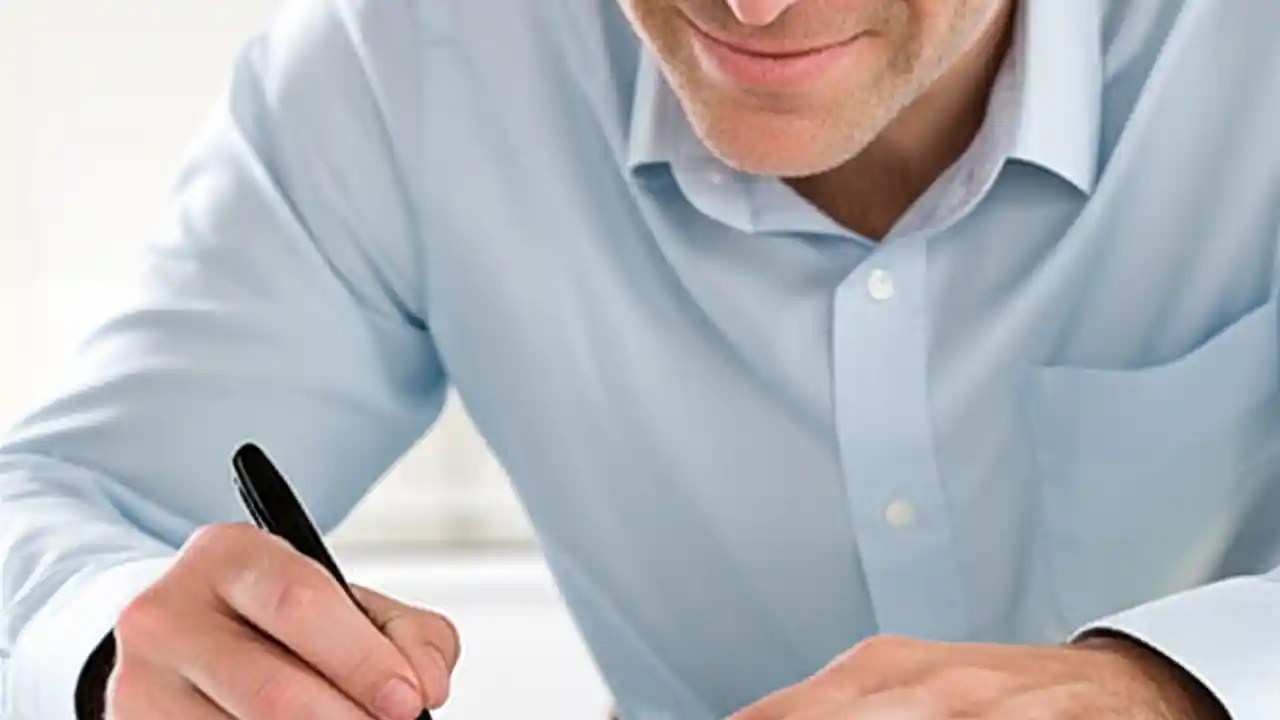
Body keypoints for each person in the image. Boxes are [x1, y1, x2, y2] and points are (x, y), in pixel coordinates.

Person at [1, 0, 1277, 716]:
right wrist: (128, 654)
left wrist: (1169, 691)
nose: (760, 3)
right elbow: (43, 509)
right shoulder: (400, 71)